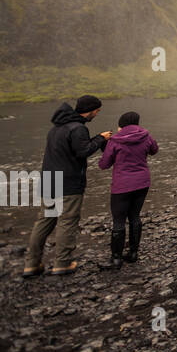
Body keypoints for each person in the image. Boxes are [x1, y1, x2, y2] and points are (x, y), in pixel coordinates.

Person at [23, 95, 112, 278]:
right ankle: (62, 263)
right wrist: (100, 138)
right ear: (90, 110)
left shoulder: (55, 129)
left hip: (49, 181)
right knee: (67, 222)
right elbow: (83, 151)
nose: (97, 113)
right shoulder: (78, 129)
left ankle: (31, 264)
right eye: (97, 110)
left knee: (44, 222)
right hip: (68, 184)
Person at [99, 111, 158, 269]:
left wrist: (104, 147)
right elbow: (154, 150)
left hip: (122, 186)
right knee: (135, 216)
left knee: (118, 221)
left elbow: (104, 164)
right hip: (142, 182)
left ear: (121, 125)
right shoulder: (145, 135)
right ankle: (133, 253)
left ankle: (116, 259)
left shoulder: (115, 140)